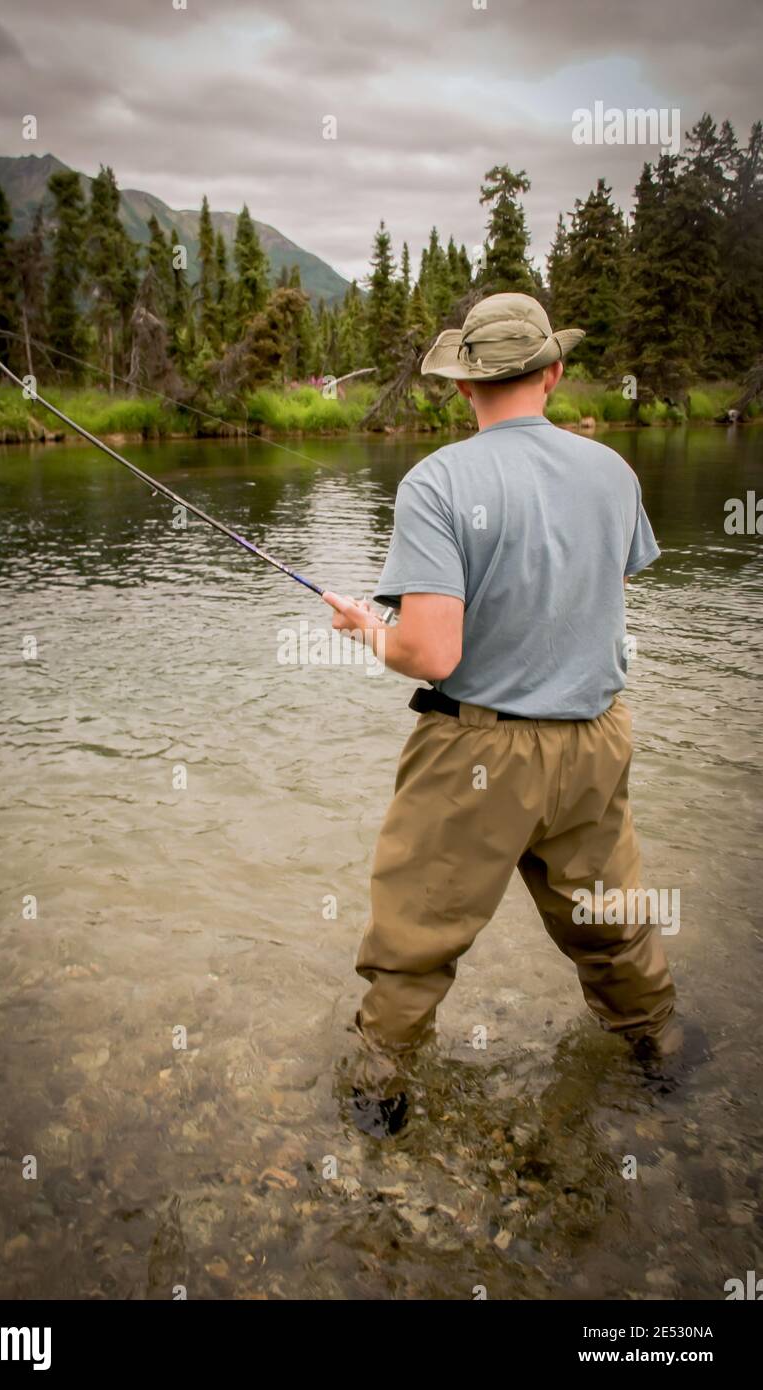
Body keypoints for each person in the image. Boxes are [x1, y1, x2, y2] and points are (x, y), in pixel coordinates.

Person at [322, 292, 682, 1122]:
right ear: (552, 374)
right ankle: (660, 1062)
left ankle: (376, 1105)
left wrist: (363, 631)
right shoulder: (612, 471)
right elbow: (603, 588)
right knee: (612, 924)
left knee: (414, 942)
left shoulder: (438, 481)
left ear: (461, 387)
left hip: (477, 755)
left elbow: (432, 654)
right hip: (596, 742)